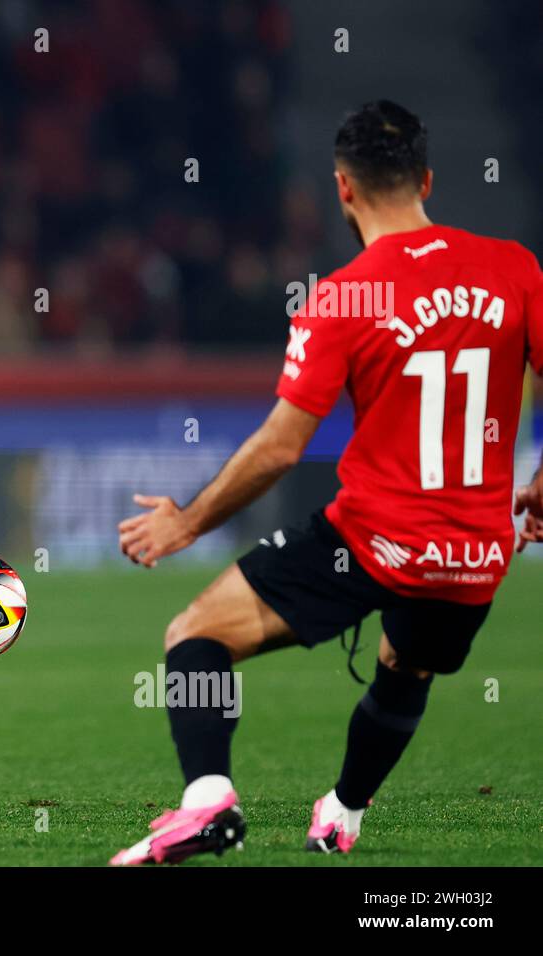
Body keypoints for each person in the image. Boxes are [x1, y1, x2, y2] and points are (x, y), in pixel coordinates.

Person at [111, 100, 543, 864]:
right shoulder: (516, 268)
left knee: (195, 637)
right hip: (477, 556)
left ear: (343, 189)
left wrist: (187, 522)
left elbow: (281, 449)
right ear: (428, 180)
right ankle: (342, 812)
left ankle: (207, 802)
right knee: (404, 666)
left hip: (371, 539)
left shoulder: (345, 297)